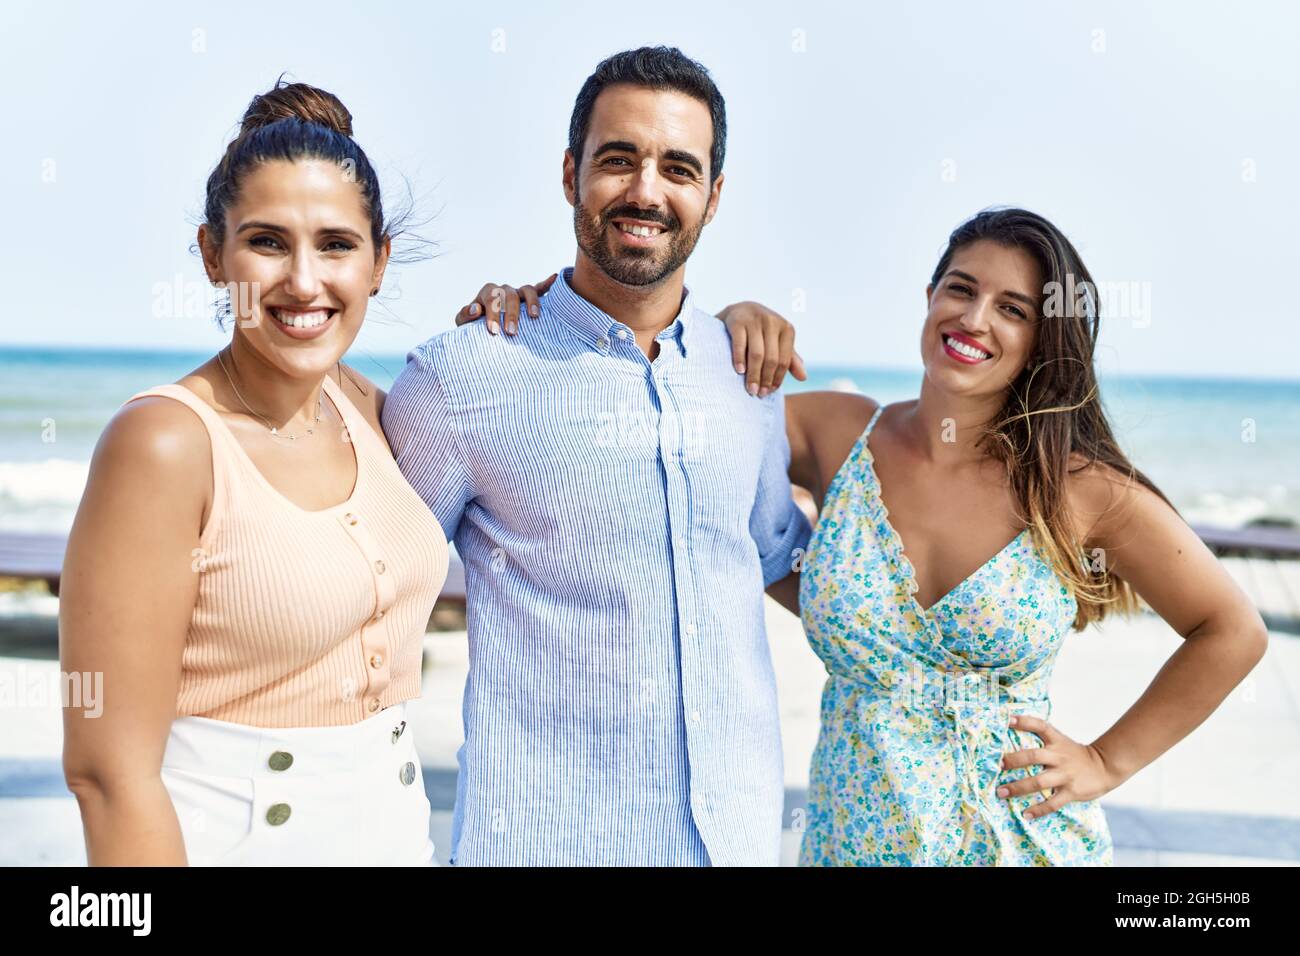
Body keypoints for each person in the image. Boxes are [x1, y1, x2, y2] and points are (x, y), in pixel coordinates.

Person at [726, 207, 1268, 865]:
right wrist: (728, 327)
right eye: (961, 288)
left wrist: (1104, 760)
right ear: (930, 298)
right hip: (850, 844)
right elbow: (679, 432)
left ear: (1043, 341)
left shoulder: (1076, 487)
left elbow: (1232, 630)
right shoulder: (834, 435)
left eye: (1012, 309)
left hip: (1022, 845)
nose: (974, 319)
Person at [382, 47, 811, 866]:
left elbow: (771, 558)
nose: (646, 191)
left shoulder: (745, 374)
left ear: (712, 198)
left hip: (737, 844)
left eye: (678, 168)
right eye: (619, 160)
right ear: (572, 171)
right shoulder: (464, 375)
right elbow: (368, 593)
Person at [60, 81, 448, 866]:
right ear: (212, 255)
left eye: (336, 245)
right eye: (267, 242)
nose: (304, 282)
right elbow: (106, 775)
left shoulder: (374, 411)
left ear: (378, 262)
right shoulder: (165, 444)